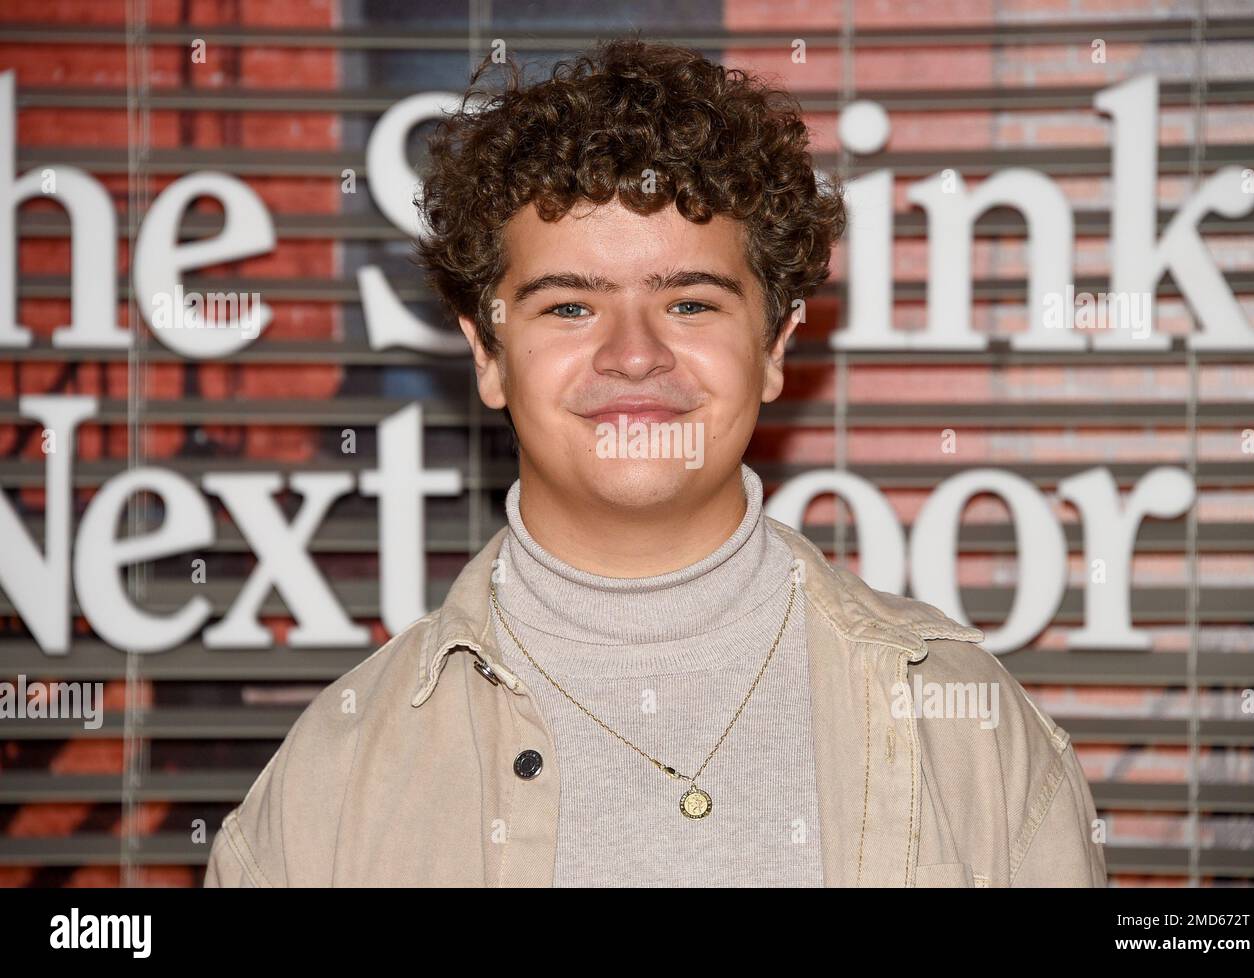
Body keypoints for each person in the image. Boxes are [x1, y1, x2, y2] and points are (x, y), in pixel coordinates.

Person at [204, 36, 1106, 887]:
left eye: (689, 304)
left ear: (776, 345)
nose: (633, 356)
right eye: (568, 308)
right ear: (487, 353)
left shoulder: (968, 729)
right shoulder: (334, 776)